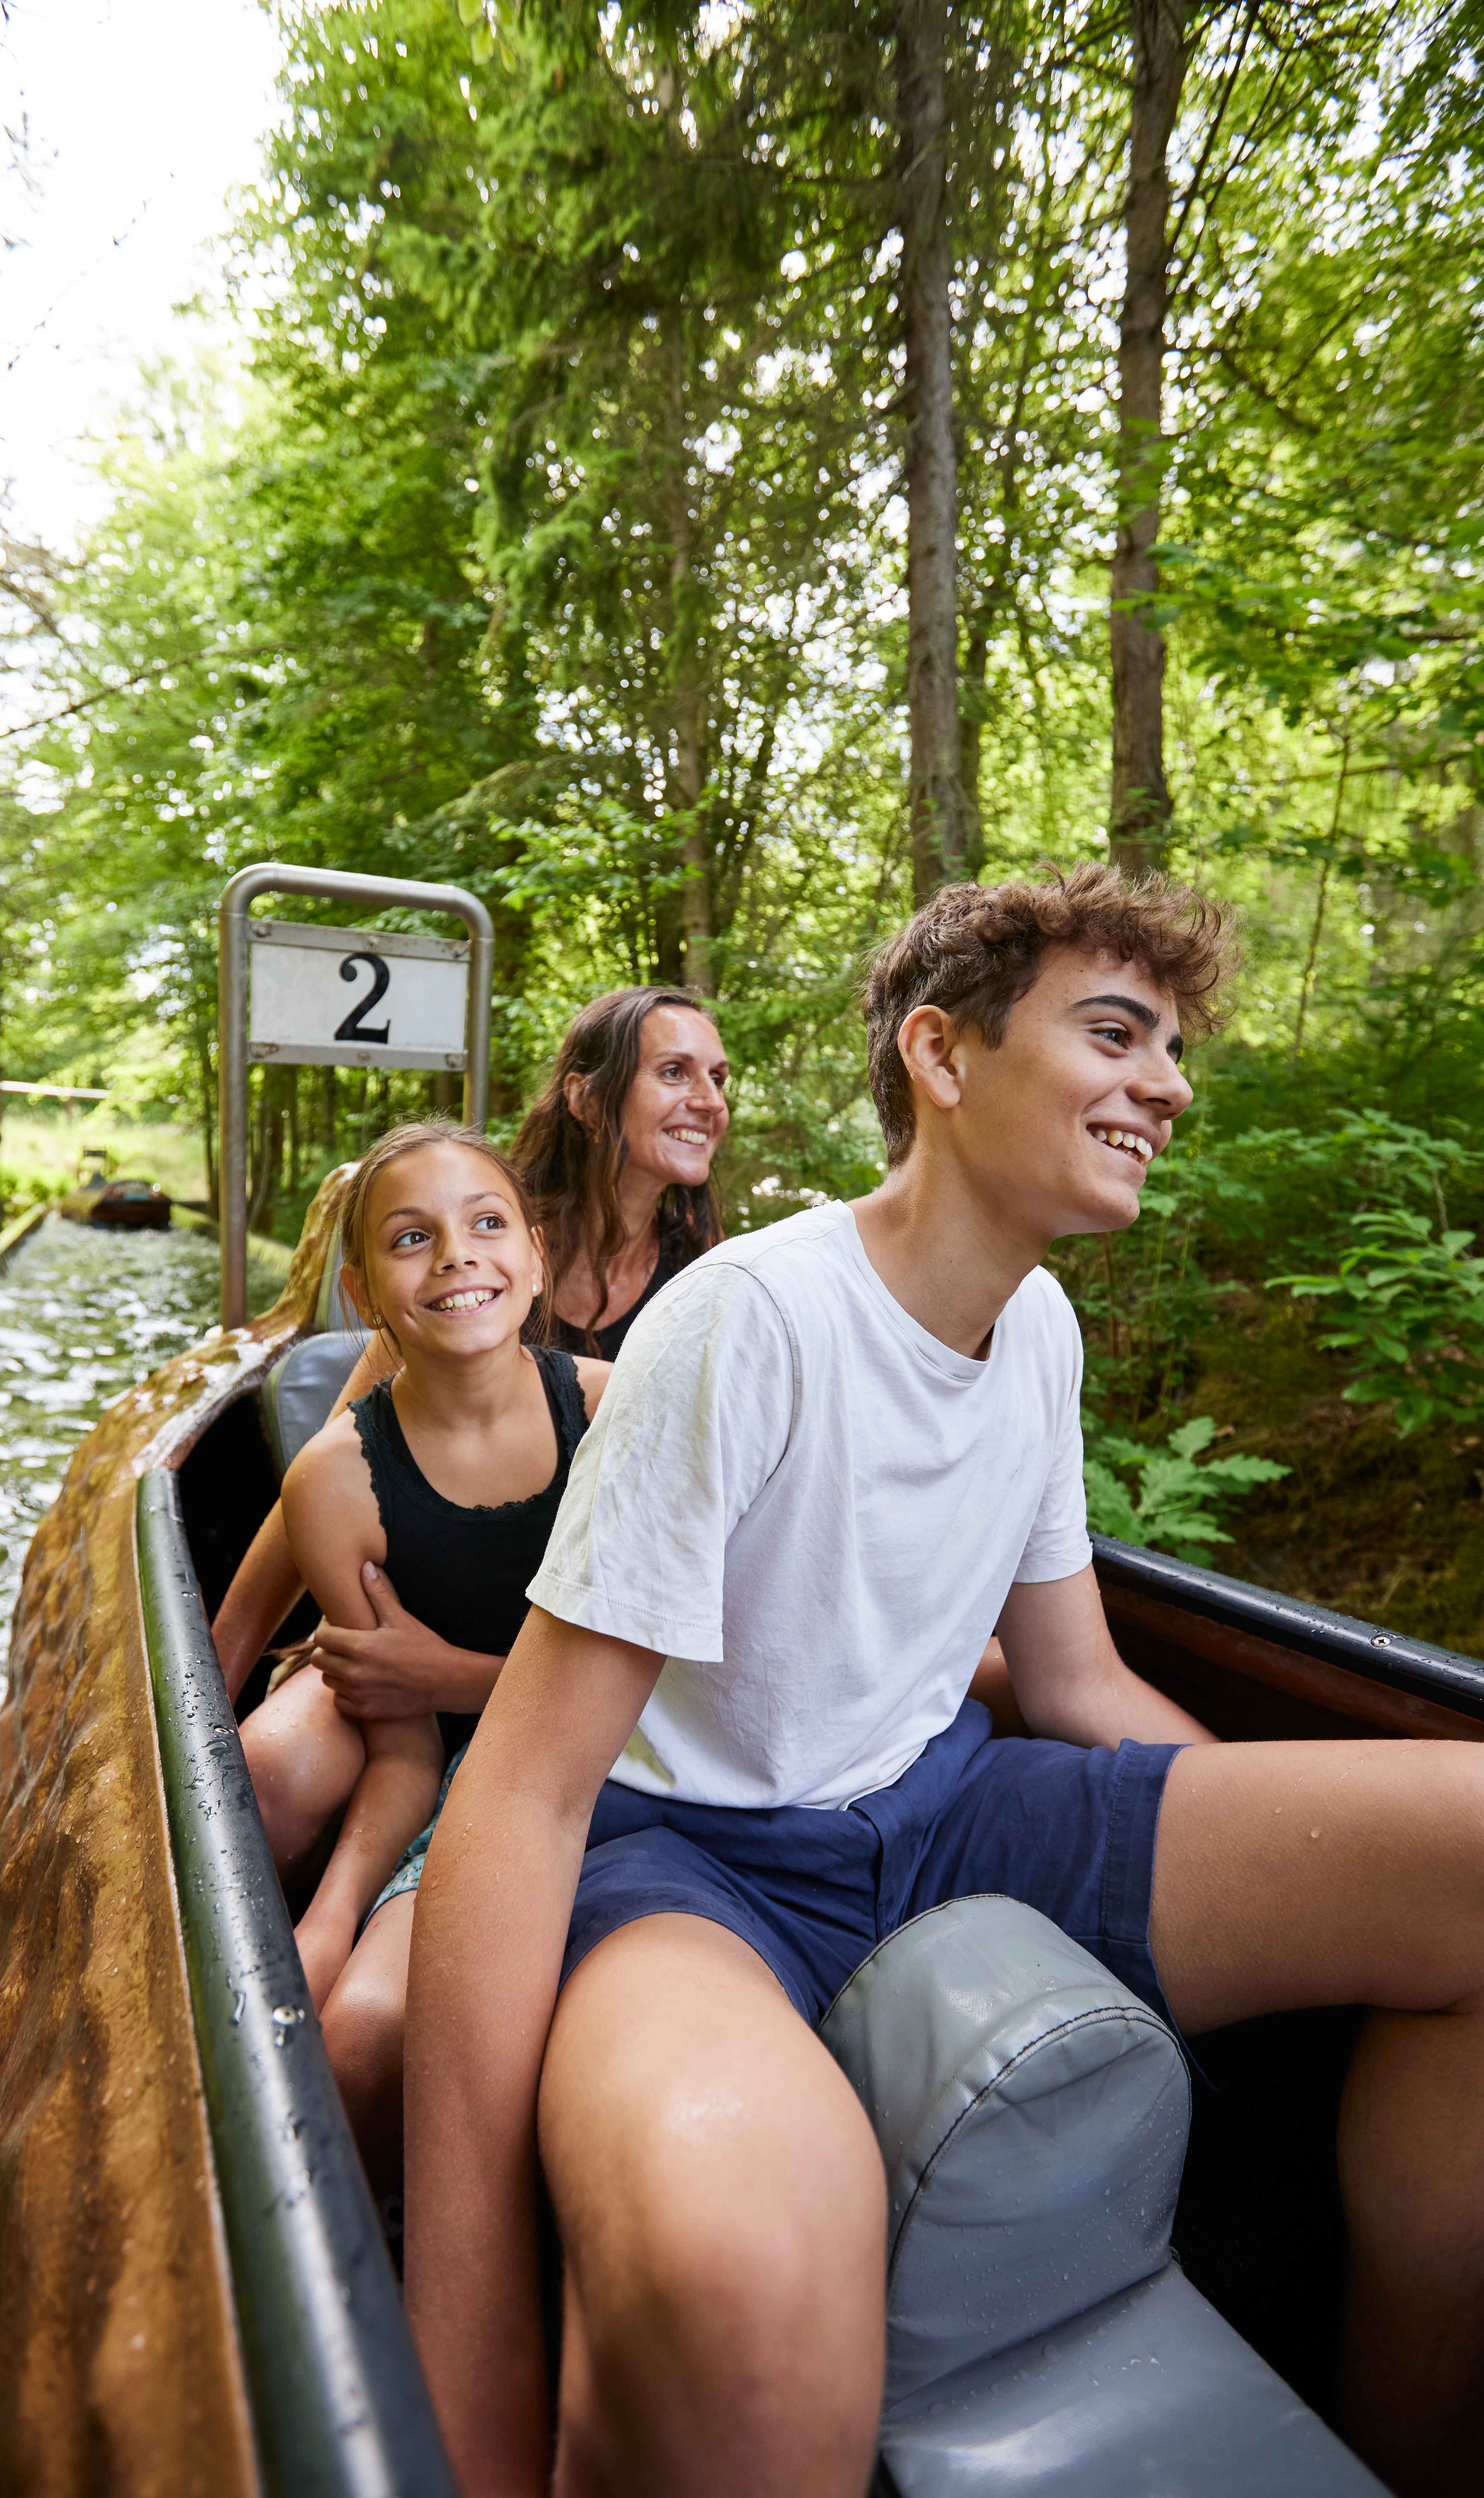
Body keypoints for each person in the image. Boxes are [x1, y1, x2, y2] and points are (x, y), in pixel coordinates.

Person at [404, 864, 1484, 2498]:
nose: (1168, 1085)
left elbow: (1073, 1679)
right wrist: (459, 2361)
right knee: (739, 2275)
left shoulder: (1035, 1329)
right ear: (942, 1054)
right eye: (1115, 1032)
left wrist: (1287, 1857)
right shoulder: (747, 1319)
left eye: (1173, 1048)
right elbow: (526, 1791)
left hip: (949, 1804)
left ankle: (1396, 2444)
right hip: (694, 1864)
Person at [241, 1120, 611, 2188]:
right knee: (358, 2029)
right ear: (362, 1291)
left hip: (617, 1752)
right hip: (460, 1774)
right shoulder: (336, 1483)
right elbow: (404, 1749)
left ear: (536, 1257)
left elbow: (679, 1677)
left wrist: (454, 1675)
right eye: (413, 1239)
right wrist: (330, 1916)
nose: (456, 1257)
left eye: (487, 1224)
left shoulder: (612, 1407)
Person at [210, 985, 730, 1699]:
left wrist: (453, 1681)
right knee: (286, 1760)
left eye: (718, 1077)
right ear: (584, 1100)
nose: (708, 1100)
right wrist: (208, 1693)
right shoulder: (476, 1268)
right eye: (674, 1073)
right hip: (407, 1609)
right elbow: (330, 1481)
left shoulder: (706, 1285)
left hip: (576, 1655)